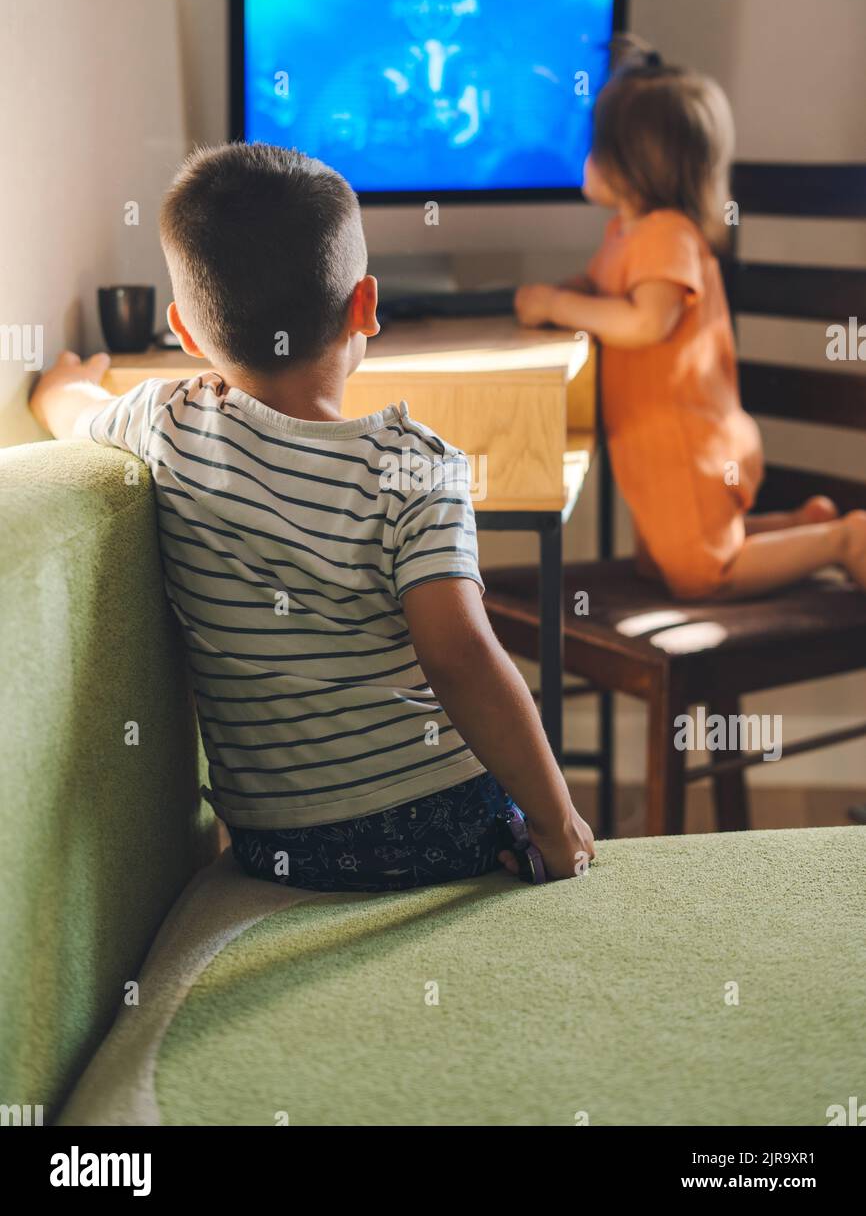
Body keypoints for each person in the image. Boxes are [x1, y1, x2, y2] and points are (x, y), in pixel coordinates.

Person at [31, 142, 594, 891]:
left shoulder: (164, 423)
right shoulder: (416, 467)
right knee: (532, 830)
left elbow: (64, 408)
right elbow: (460, 657)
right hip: (440, 825)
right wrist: (558, 823)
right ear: (366, 305)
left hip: (277, 844)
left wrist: (65, 379)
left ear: (188, 333)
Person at [516, 38, 866, 600]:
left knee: (705, 574)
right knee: (672, 564)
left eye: (595, 147)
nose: (582, 157)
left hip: (687, 447)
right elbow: (606, 287)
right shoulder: (627, 234)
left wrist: (557, 306)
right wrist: (565, 291)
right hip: (657, 450)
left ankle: (844, 541)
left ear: (633, 168)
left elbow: (646, 322)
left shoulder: (666, 237)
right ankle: (807, 524)